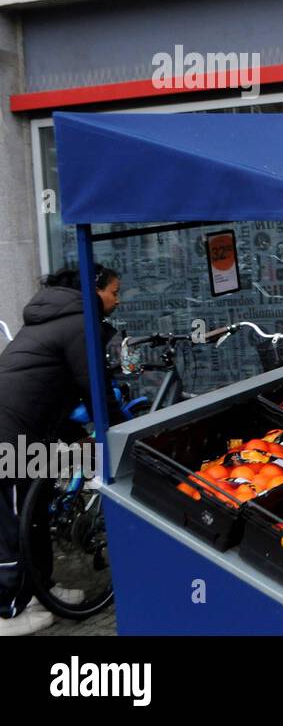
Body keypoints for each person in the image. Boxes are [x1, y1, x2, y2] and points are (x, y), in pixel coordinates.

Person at [0, 265, 119, 635]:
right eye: (115, 291)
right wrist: (119, 431)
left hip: (25, 430)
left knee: (33, 518)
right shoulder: (81, 323)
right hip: (8, 437)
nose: (118, 299)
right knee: (14, 523)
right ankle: (7, 612)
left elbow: (48, 391)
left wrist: (72, 436)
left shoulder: (54, 320)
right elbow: (93, 389)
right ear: (95, 289)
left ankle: (39, 589)